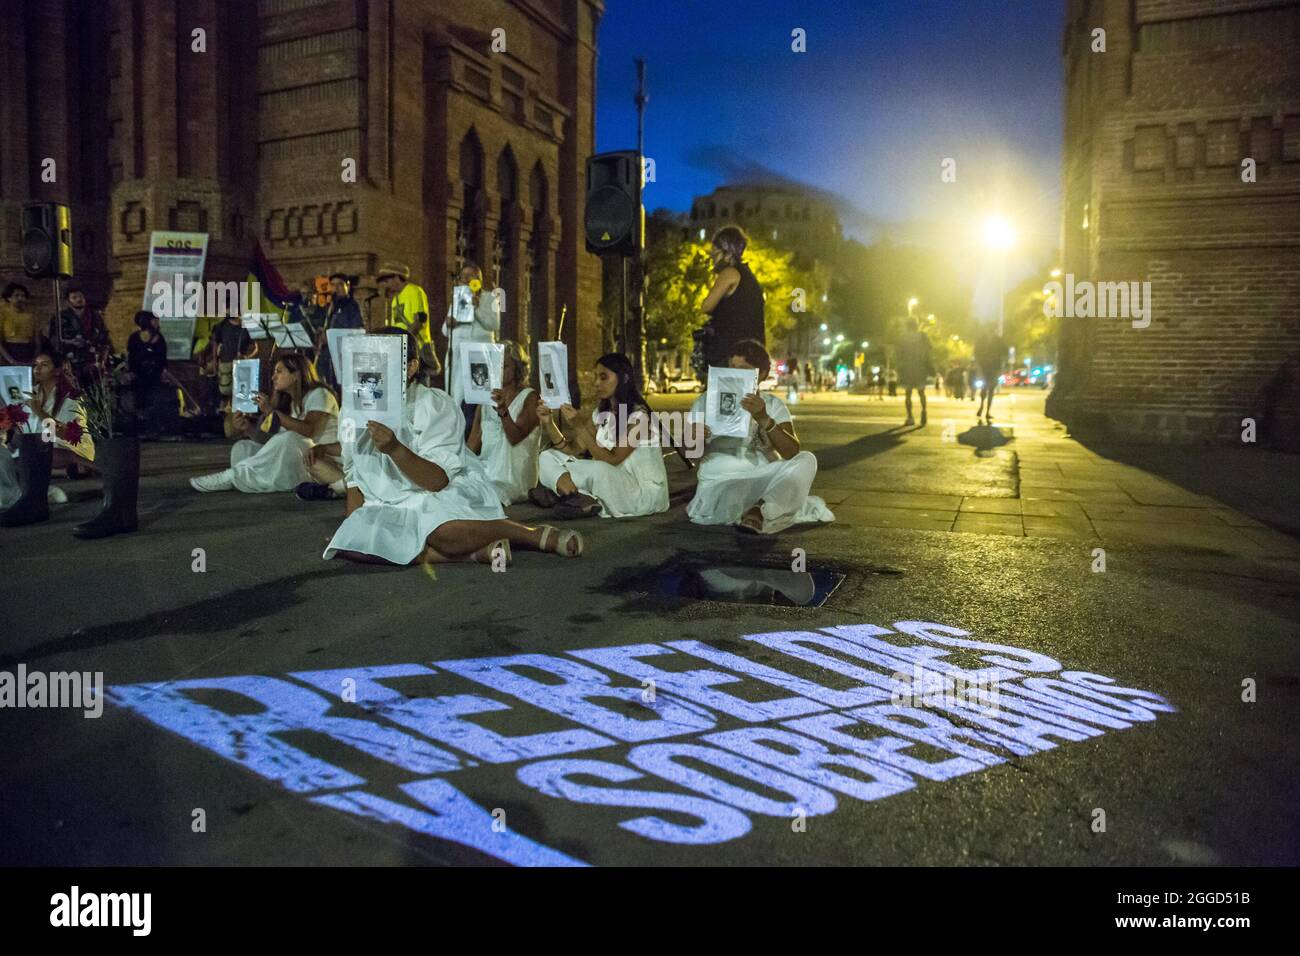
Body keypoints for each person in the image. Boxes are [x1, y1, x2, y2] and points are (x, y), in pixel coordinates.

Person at [323, 327, 582, 565]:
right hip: (385, 503)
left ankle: (529, 534)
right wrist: (354, 522)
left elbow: (437, 481)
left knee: (440, 530)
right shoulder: (352, 409)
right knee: (351, 542)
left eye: (382, 358)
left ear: (410, 367)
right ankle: (472, 553)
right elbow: (354, 476)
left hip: (435, 493)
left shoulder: (432, 404)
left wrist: (395, 449)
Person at [686, 339, 833, 535]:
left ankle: (759, 507)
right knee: (747, 491)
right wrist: (694, 438)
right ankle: (763, 509)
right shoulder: (706, 401)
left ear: (761, 374)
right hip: (722, 482)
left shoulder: (772, 404)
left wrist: (764, 419)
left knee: (807, 460)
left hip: (762, 479)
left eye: (743, 368)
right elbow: (690, 454)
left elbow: (791, 452)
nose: (734, 372)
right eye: (732, 366)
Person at [530, 353, 669, 520]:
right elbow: (571, 449)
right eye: (596, 377)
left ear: (624, 378)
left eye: (604, 377)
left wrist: (580, 426)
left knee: (598, 468)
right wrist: (549, 422)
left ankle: (564, 494)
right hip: (610, 482)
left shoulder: (639, 417)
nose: (596, 383)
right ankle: (573, 496)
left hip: (640, 494)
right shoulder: (600, 414)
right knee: (546, 456)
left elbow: (613, 459)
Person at [190, 354, 339, 493]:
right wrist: (248, 428)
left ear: (296, 375)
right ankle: (243, 478)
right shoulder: (290, 402)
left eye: (279, 372)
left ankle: (233, 476)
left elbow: (309, 431)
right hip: (301, 456)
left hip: (323, 460)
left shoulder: (320, 394)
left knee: (288, 438)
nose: (274, 377)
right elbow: (272, 444)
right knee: (242, 448)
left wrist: (271, 412)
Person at [0, 349, 94, 526]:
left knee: (36, 449)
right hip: (33, 445)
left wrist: (38, 411)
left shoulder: (69, 397)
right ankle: (25, 497)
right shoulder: (30, 392)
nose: (37, 369)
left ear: (57, 370)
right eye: (35, 365)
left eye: (44, 365)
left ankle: (32, 501)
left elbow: (64, 433)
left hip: (58, 445)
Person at [466, 340, 541, 505]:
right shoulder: (485, 400)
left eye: (504, 366)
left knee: (481, 495)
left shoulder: (530, 397)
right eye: (495, 365)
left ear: (518, 369)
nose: (498, 371)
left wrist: (503, 411)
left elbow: (515, 437)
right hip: (486, 472)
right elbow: (472, 444)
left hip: (513, 479)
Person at [698, 226, 765, 380]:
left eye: (715, 254)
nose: (713, 259)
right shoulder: (748, 276)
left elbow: (706, 306)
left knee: (722, 401)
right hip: (750, 354)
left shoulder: (730, 273)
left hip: (731, 354)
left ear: (727, 252)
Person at [445, 261, 501, 426]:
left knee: (477, 401)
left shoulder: (490, 297)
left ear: (480, 279)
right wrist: (448, 324)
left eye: (472, 277)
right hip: (457, 354)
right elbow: (444, 330)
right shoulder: (458, 298)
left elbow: (494, 325)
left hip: (479, 355)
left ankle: (475, 435)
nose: (468, 280)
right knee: (456, 397)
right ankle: (455, 432)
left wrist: (476, 308)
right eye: (465, 277)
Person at [378, 262, 439, 385]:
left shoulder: (414, 291)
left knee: (421, 382)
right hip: (402, 346)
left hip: (418, 346)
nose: (385, 284)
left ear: (397, 277)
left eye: (386, 280)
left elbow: (420, 320)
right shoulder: (395, 299)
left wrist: (405, 340)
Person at [46, 285, 111, 385]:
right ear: (69, 301)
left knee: (94, 391)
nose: (79, 299)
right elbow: (54, 340)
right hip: (71, 362)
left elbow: (104, 338)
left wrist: (103, 357)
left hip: (92, 360)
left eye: (80, 296)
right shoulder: (60, 317)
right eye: (74, 297)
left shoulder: (95, 316)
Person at [314, 272, 365, 390]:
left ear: (348, 286)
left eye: (340, 284)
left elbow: (356, 330)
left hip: (343, 355)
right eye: (333, 285)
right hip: (328, 355)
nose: (336, 288)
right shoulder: (331, 305)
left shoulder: (352, 305)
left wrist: (332, 336)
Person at [125, 311, 168, 436]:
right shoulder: (134, 338)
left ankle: (154, 427)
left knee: (154, 400)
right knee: (139, 400)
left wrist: (162, 371)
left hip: (154, 375)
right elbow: (131, 357)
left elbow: (162, 358)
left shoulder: (159, 338)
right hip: (139, 375)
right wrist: (130, 372)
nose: (157, 322)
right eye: (154, 320)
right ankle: (140, 426)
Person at [208, 310, 256, 407]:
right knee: (225, 393)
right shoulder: (221, 326)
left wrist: (246, 357)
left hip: (243, 366)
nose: (227, 312)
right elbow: (215, 344)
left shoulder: (246, 327)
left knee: (243, 400)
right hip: (225, 365)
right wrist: (215, 361)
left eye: (229, 308)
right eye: (225, 309)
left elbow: (255, 347)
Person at [896, 317, 932, 426]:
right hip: (920, 367)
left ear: (907, 325)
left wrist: (899, 366)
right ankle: (924, 411)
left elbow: (899, 353)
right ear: (916, 325)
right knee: (922, 393)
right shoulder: (923, 336)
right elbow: (929, 349)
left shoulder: (902, 337)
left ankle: (910, 417)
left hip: (907, 367)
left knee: (908, 394)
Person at [0, 283, 36, 366]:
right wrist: (11, 360)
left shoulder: (30, 316)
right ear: (9, 298)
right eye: (16, 296)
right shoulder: (2, 315)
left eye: (23, 296)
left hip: (27, 353)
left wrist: (34, 359)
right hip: (8, 353)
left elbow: (37, 341)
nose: (20, 298)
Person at [975, 330, 1007, 424]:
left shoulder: (998, 341)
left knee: (991, 389)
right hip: (985, 367)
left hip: (994, 368)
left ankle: (987, 411)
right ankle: (982, 406)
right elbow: (976, 352)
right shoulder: (982, 340)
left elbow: (1005, 351)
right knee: (984, 389)